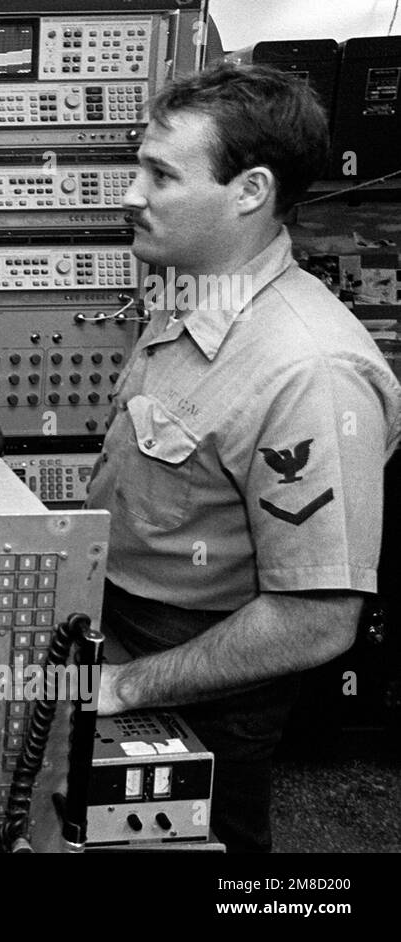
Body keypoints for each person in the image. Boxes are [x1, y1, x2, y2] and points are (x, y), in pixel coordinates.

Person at [86, 63, 401, 853]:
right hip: (123, 619)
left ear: (250, 191)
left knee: (205, 845)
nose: (132, 194)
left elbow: (315, 620)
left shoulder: (311, 368)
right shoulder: (193, 294)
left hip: (205, 669)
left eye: (160, 174)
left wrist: (128, 686)